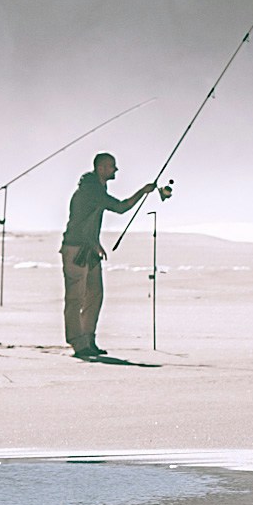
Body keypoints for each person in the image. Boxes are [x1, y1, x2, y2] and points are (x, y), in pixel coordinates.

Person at [61, 153, 160, 359]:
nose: (115, 170)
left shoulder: (96, 189)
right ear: (100, 168)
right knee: (76, 298)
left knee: (95, 294)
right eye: (111, 166)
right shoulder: (91, 191)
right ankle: (78, 343)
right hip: (76, 249)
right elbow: (121, 207)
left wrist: (95, 243)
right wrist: (143, 191)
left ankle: (88, 339)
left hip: (89, 248)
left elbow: (86, 220)